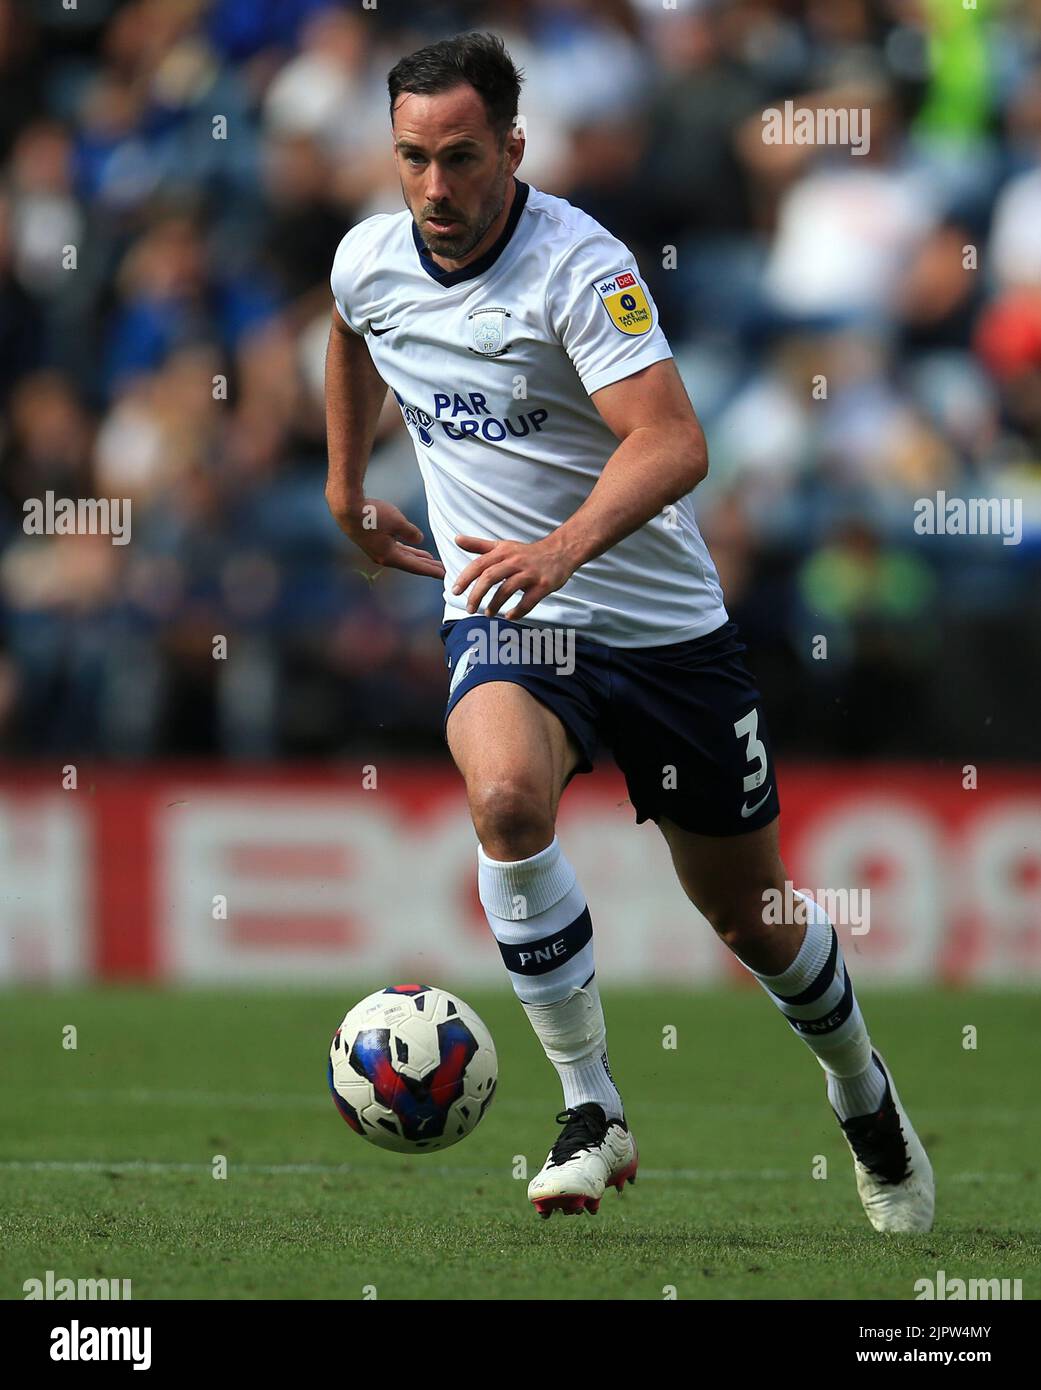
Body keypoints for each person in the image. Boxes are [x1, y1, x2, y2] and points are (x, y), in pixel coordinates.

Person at [324, 30, 933, 1230]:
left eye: (460, 158)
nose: (435, 189)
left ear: (513, 144)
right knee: (504, 801)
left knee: (749, 916)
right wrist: (345, 489)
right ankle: (591, 1104)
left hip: (659, 631)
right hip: (504, 613)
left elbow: (675, 441)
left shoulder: (579, 266)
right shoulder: (370, 258)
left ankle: (863, 1091)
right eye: (411, 160)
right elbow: (351, 328)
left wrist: (561, 549)